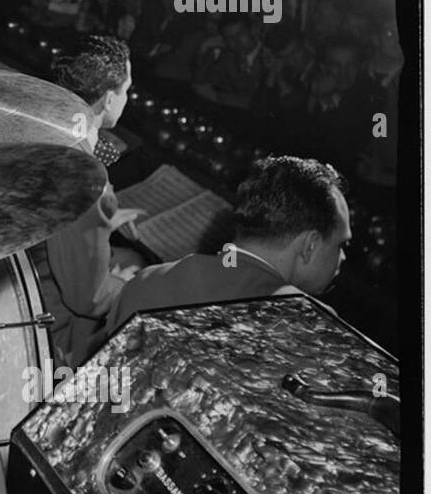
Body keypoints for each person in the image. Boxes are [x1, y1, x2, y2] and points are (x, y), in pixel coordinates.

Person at [100, 156, 351, 338]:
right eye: (340, 244)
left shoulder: (147, 280)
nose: (342, 257)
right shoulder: (312, 324)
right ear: (309, 245)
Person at [37, 35, 140, 368]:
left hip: (30, 257)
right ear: (109, 100)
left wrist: (100, 220)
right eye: (126, 90)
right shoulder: (88, 179)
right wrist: (128, 285)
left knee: (127, 253)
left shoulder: (42, 125)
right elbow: (88, 299)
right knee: (138, 266)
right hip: (44, 309)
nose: (128, 98)